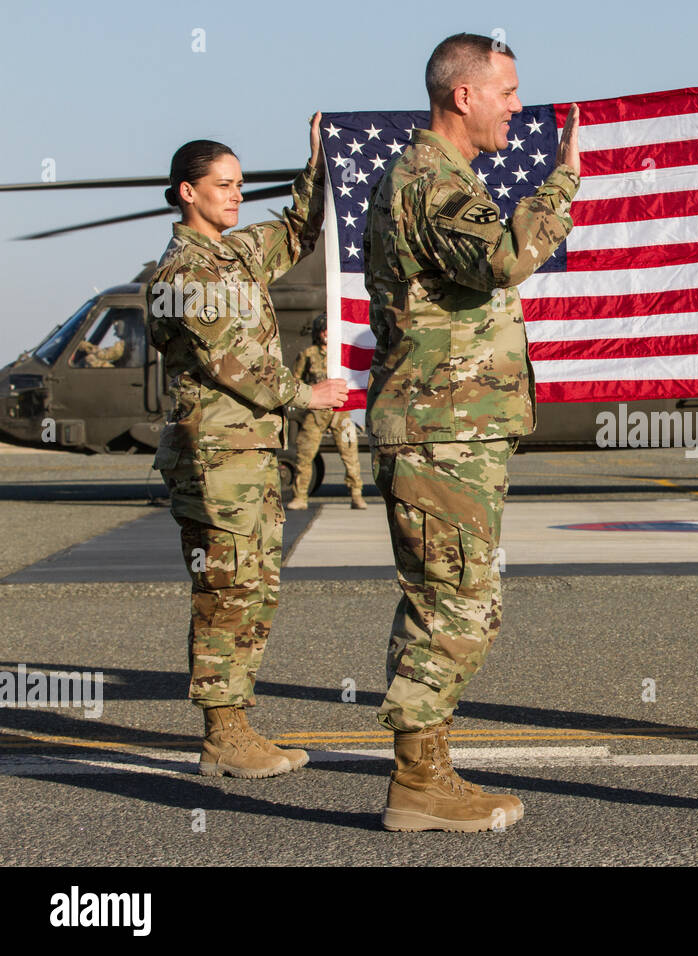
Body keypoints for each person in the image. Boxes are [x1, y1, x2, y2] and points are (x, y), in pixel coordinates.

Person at [364, 33, 580, 832]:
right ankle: (417, 783)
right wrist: (561, 185)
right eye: (509, 92)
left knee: (462, 602)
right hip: (437, 435)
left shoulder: (441, 177)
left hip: (454, 434)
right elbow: (505, 257)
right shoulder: (429, 179)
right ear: (464, 95)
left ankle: (430, 771)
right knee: (450, 605)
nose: (517, 109)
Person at [145, 118, 349, 778]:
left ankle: (235, 727)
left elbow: (298, 228)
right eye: (222, 185)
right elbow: (228, 360)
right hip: (215, 460)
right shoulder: (181, 274)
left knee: (256, 590)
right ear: (187, 192)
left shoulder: (237, 254)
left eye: (238, 184)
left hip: (252, 456)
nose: (235, 196)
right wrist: (305, 394)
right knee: (224, 589)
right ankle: (222, 734)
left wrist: (317, 161)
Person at [286, 314, 367, 510]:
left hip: (341, 412)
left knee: (350, 454)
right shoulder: (308, 354)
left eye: (329, 330)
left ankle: (356, 494)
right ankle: (300, 496)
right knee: (304, 455)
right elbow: (296, 380)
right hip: (315, 413)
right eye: (323, 330)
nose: (326, 334)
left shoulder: (342, 354)